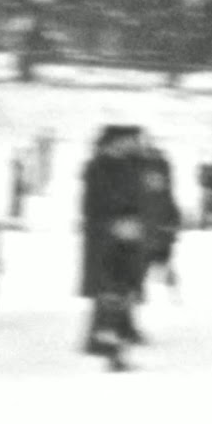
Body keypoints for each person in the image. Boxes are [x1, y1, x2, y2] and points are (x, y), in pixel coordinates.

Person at [80, 126, 147, 370]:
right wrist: (115, 226)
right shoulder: (97, 167)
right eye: (129, 140)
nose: (134, 144)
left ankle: (117, 352)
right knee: (111, 298)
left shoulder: (128, 166)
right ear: (115, 142)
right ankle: (112, 354)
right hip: (106, 244)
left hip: (128, 242)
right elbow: (90, 208)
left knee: (123, 296)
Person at [139, 136, 182, 301]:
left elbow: (172, 208)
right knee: (143, 265)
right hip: (151, 233)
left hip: (160, 234)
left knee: (162, 265)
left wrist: (173, 227)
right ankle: (139, 294)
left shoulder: (163, 191)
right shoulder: (152, 188)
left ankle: (173, 294)